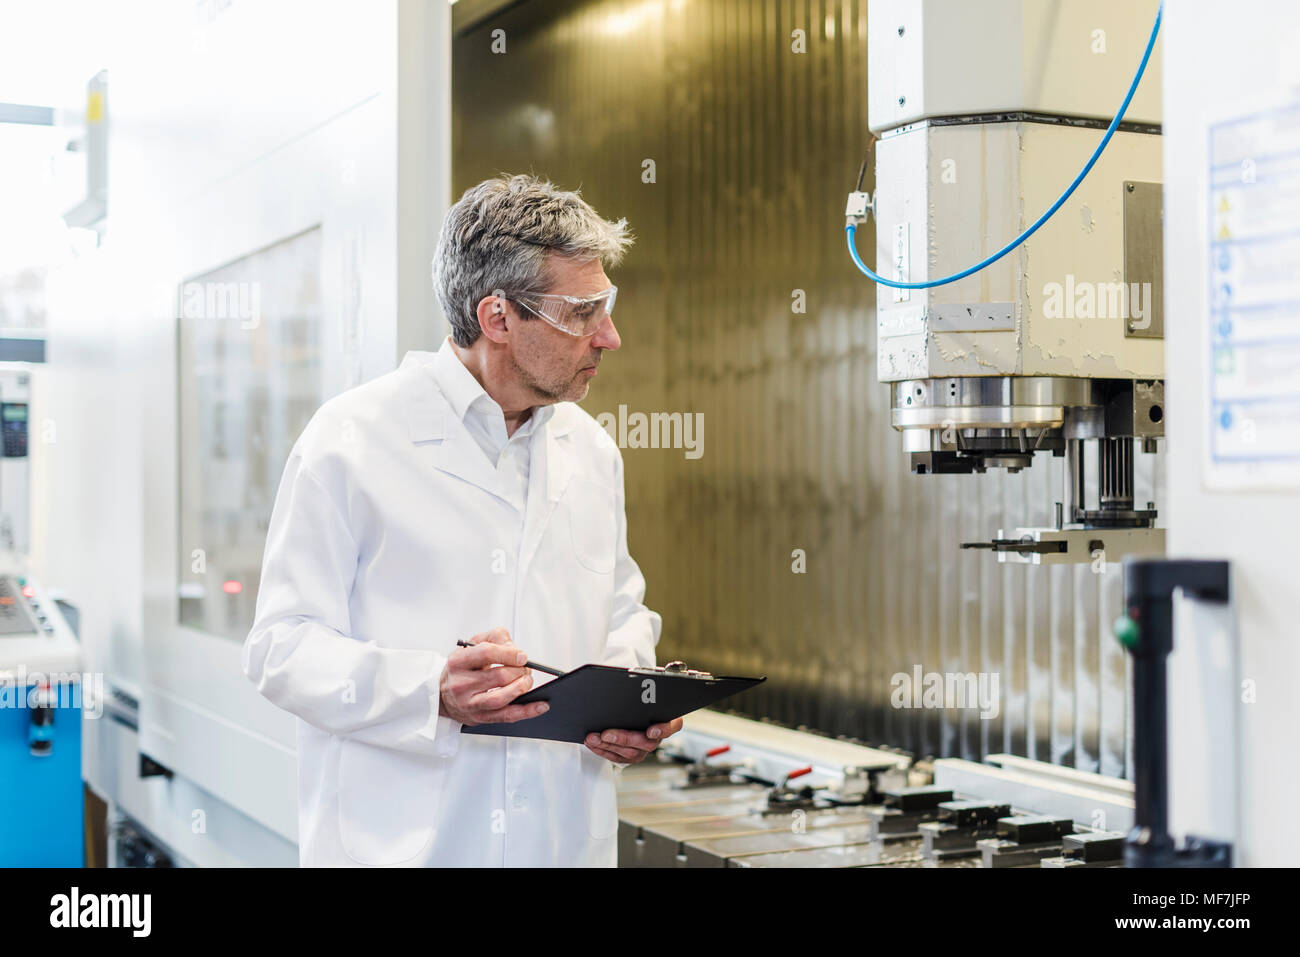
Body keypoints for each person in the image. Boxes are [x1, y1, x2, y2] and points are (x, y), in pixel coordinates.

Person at [242, 174, 679, 867]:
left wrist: (630, 700)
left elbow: (622, 611)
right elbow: (280, 649)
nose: (610, 336)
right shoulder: (352, 439)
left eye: (608, 307)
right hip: (406, 848)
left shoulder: (590, 449)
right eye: (583, 312)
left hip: (561, 846)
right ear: (498, 318)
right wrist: (428, 690)